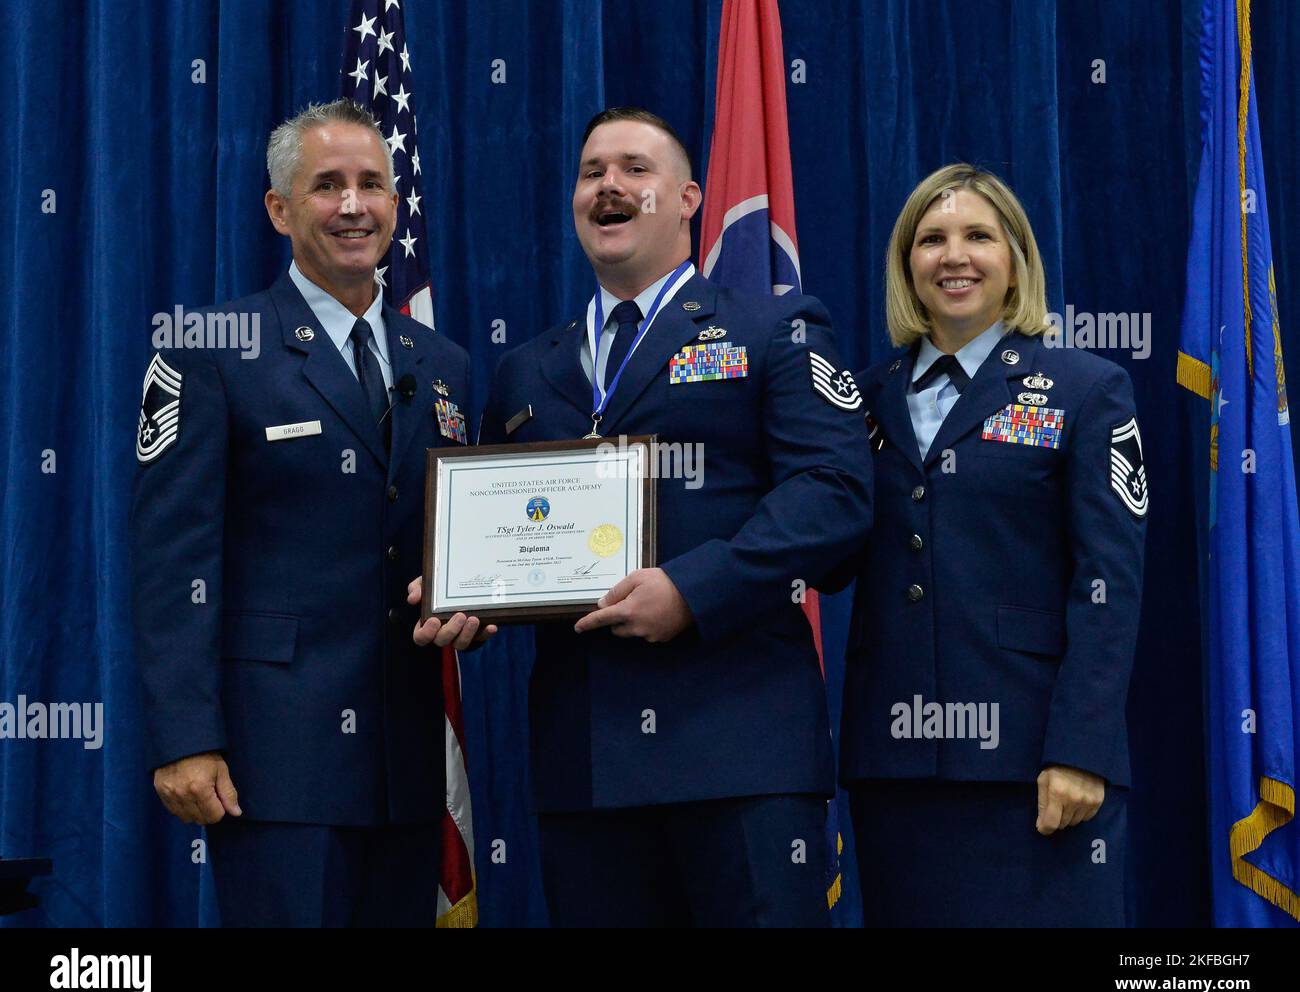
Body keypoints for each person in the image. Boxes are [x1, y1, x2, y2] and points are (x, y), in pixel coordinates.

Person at [412, 107, 872, 927]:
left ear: (689, 198)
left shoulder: (774, 328)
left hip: (740, 759)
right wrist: (467, 597)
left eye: (634, 169)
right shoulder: (526, 371)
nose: (609, 187)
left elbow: (834, 495)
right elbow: (503, 540)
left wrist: (693, 590)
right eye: (592, 173)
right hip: (586, 770)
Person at [130, 99, 491, 927]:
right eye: (327, 186)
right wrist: (186, 736)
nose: (354, 206)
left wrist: (478, 593)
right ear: (280, 209)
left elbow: (454, 536)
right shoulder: (212, 347)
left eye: (372, 185)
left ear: (397, 207)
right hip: (273, 761)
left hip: (404, 761)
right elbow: (170, 560)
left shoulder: (443, 362)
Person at [839, 164, 1147, 926]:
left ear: (1016, 261)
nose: (954, 256)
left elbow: (1109, 584)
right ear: (906, 263)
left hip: (1035, 765)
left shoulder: (1086, 388)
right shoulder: (859, 398)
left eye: (979, 236)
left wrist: (1081, 749)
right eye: (931, 239)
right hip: (898, 767)